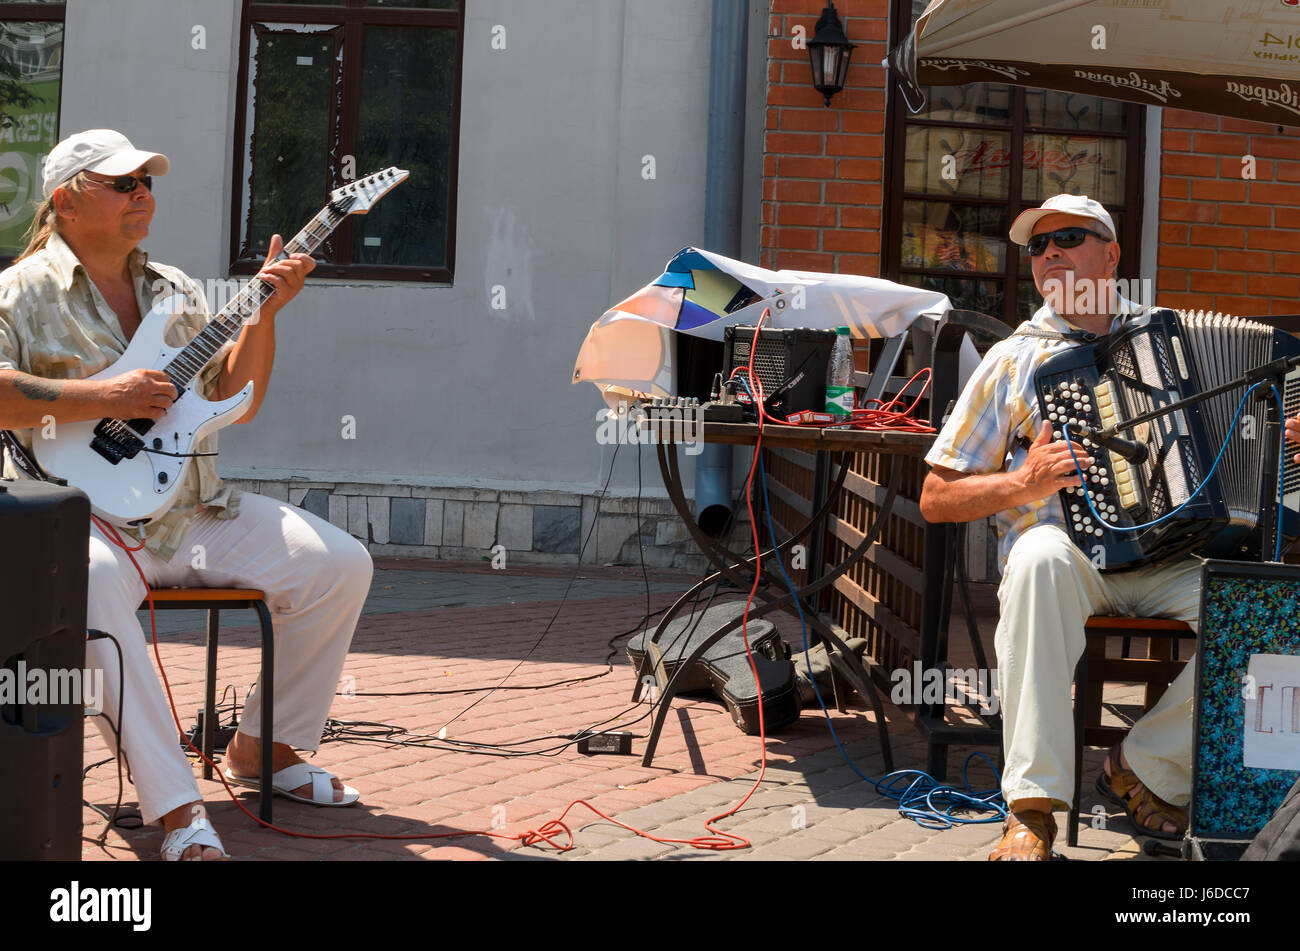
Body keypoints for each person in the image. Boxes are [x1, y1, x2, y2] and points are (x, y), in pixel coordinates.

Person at [0, 129, 373, 861]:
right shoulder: (19, 291)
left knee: (340, 564)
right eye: (123, 182)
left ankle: (265, 750)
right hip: (82, 520)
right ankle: (175, 811)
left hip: (192, 512)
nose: (144, 193)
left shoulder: (175, 289)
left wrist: (263, 313)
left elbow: (236, 394)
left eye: (148, 181)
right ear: (65, 200)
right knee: (91, 581)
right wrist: (105, 395)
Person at [920, 194, 1204, 860]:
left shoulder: (1173, 338)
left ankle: (1143, 766)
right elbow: (937, 495)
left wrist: (1280, 428)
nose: (1048, 254)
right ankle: (1033, 810)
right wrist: (1024, 483)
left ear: (1110, 255)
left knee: (1275, 613)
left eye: (1067, 238)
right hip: (1070, 560)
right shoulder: (1013, 359)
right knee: (1040, 558)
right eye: (1036, 247)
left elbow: (1239, 431)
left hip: (1172, 556)